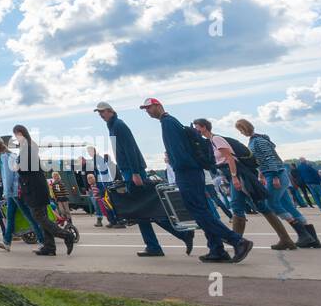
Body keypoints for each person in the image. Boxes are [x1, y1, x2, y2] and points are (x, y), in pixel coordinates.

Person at [141, 98, 252, 263]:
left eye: (149, 107)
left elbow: (178, 152)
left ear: (158, 106)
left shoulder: (168, 123)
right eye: (146, 109)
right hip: (193, 171)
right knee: (203, 211)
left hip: (187, 173)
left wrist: (178, 166)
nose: (148, 111)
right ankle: (216, 250)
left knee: (198, 212)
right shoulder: (172, 122)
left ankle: (238, 241)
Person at [95, 102, 193, 257]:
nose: (101, 115)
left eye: (103, 112)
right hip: (129, 171)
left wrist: (135, 173)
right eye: (99, 112)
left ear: (110, 111)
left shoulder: (119, 125)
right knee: (141, 212)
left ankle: (177, 237)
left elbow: (130, 148)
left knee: (144, 210)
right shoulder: (113, 126)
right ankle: (155, 245)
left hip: (133, 172)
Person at [193, 118, 301, 251]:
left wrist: (234, 177)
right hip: (234, 174)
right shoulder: (210, 142)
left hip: (238, 174)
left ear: (204, 127)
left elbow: (230, 158)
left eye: (196, 127)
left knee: (237, 206)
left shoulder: (216, 139)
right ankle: (285, 239)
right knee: (261, 206)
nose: (195, 130)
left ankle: (238, 243)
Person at [13, 124, 74, 255]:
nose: (16, 138)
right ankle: (50, 247)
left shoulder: (27, 148)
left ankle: (66, 235)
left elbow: (26, 168)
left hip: (34, 188)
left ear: (20, 133)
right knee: (43, 217)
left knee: (40, 217)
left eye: (16, 135)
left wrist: (17, 167)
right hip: (36, 187)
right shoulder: (29, 147)